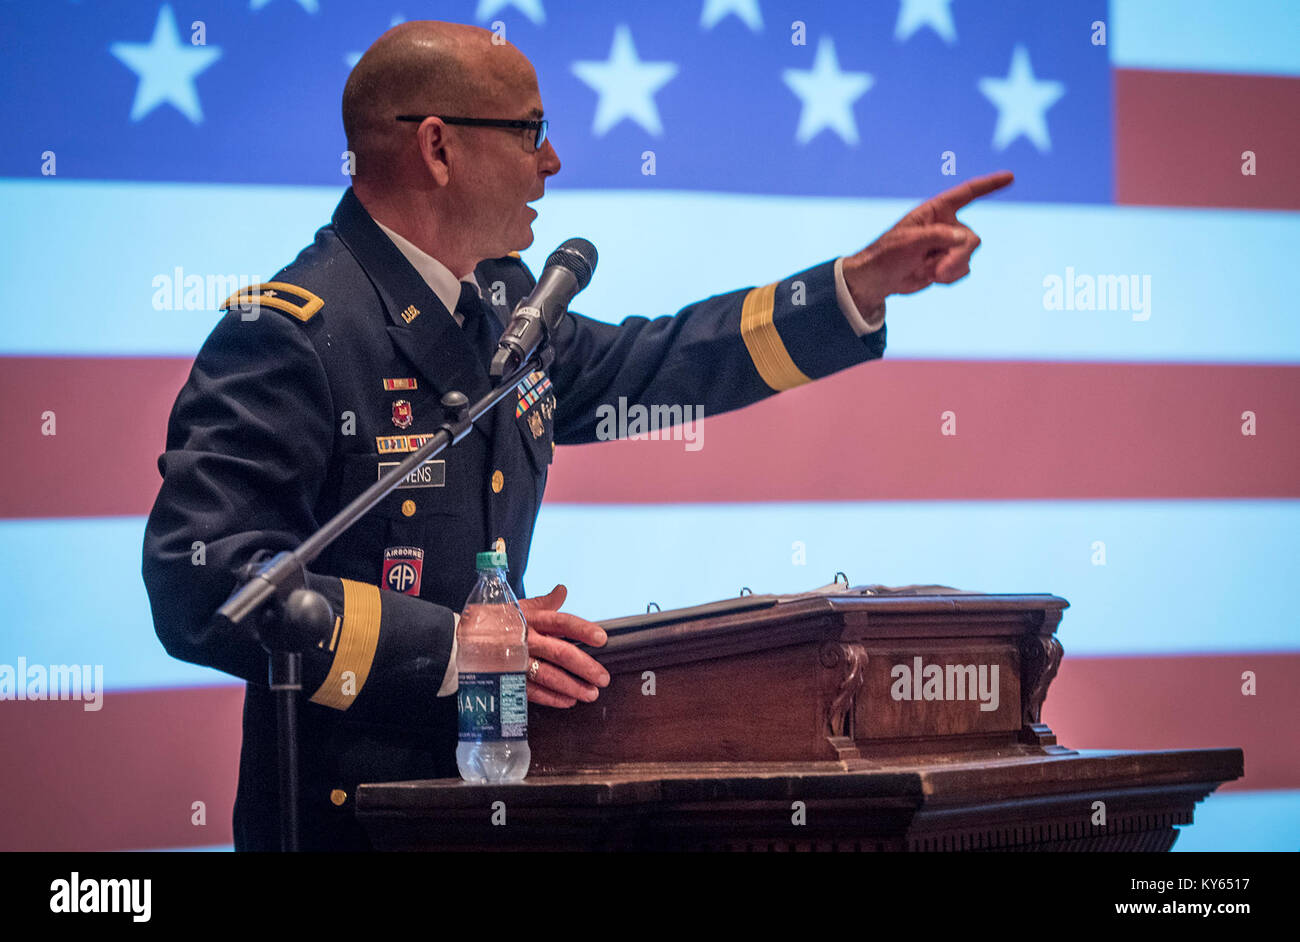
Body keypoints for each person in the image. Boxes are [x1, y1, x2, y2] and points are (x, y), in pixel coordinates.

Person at [141, 20, 1012, 851]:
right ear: (438, 148)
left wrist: (853, 288)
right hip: (348, 827)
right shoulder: (296, 330)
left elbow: (657, 366)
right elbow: (205, 582)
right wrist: (452, 647)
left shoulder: (501, 305)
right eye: (531, 131)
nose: (551, 162)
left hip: (502, 811)